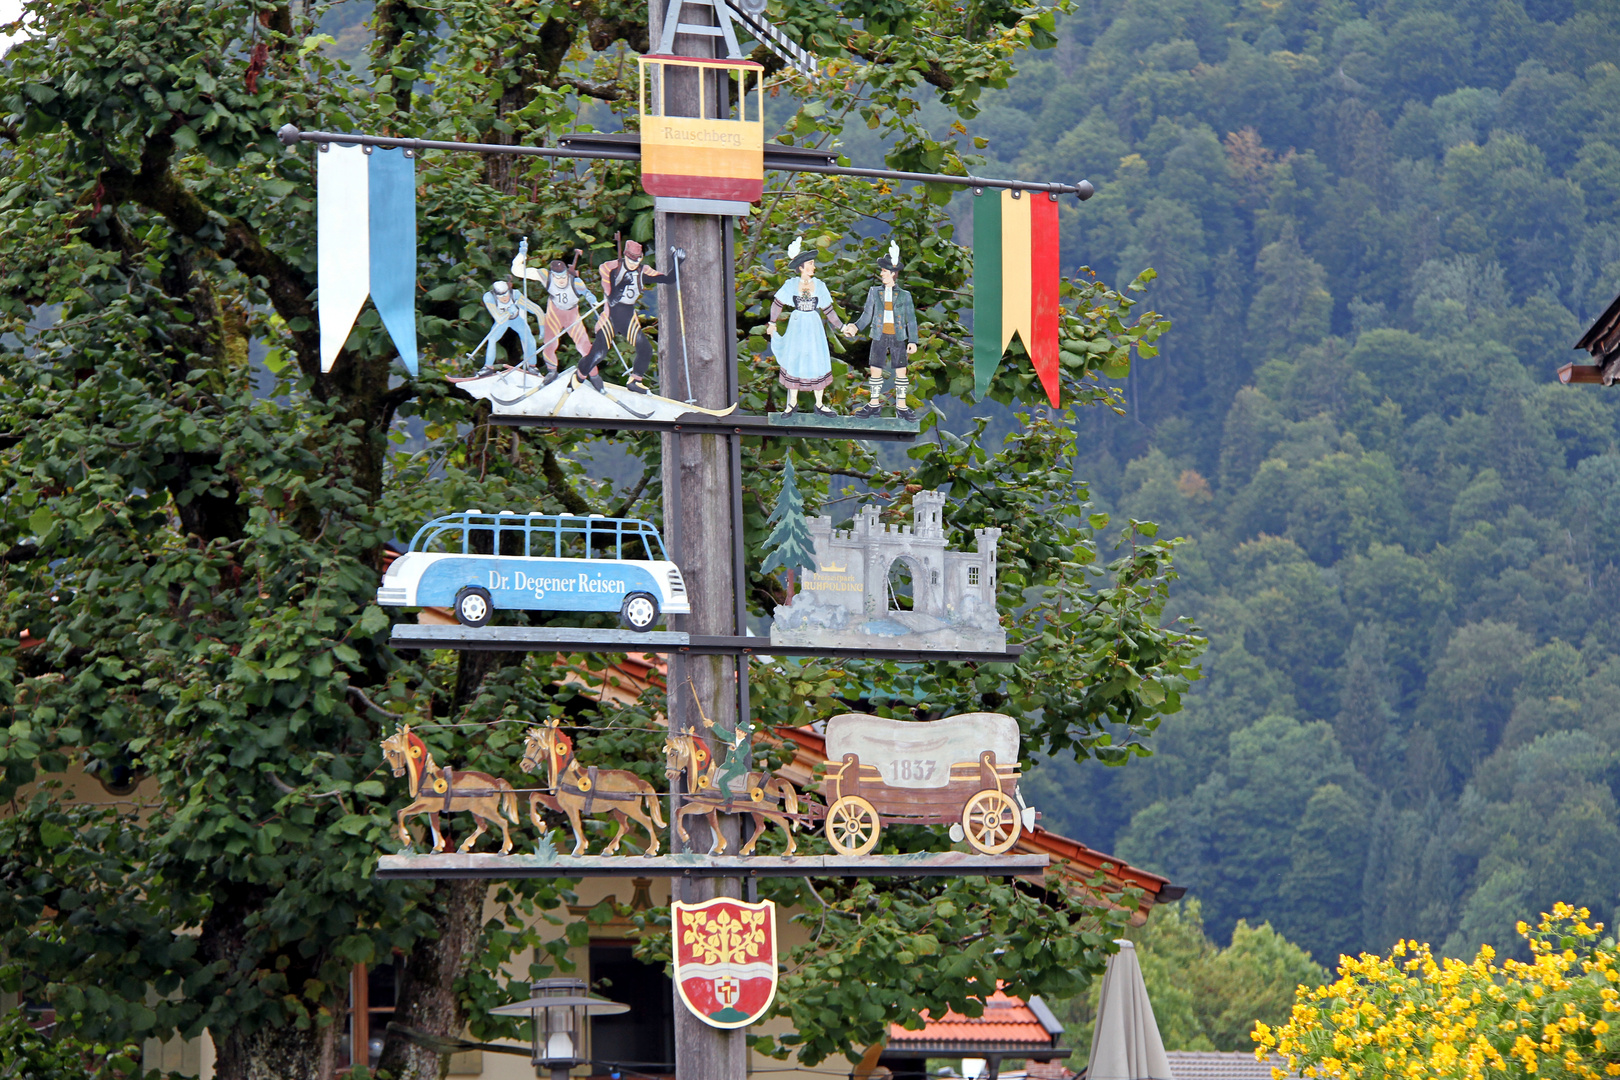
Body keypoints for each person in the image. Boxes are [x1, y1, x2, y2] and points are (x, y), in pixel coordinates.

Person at [576, 240, 673, 394]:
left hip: (628, 316)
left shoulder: (643, 271)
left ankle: (635, 380)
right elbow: (612, 299)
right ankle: (579, 376)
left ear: (640, 258)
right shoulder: (611, 268)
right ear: (625, 256)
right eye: (630, 260)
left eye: (636, 260)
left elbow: (668, 279)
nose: (633, 263)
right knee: (599, 353)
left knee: (646, 349)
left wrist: (678, 262)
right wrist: (622, 285)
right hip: (611, 315)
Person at [842, 241, 919, 420]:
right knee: (875, 368)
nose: (882, 274)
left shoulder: (905, 296)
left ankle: (901, 406)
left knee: (900, 369)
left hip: (898, 336)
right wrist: (855, 326)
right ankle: (874, 403)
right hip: (879, 334)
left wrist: (913, 340)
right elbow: (867, 314)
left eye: (884, 271)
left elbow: (911, 320)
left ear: (892, 273)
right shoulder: (874, 292)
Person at [769, 237, 845, 416]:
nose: (814, 267)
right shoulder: (791, 285)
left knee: (816, 359)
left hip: (813, 325)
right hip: (797, 324)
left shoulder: (819, 285)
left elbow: (828, 309)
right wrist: (772, 323)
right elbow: (777, 303)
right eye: (810, 263)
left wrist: (841, 327)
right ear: (802, 266)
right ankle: (791, 403)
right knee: (794, 358)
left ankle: (819, 403)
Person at [510, 251, 598, 386]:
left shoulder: (575, 281)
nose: (561, 280)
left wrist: (590, 296)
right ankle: (551, 371)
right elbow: (517, 271)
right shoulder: (545, 276)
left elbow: (586, 292)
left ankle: (594, 375)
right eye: (557, 277)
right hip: (554, 313)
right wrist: (521, 254)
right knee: (549, 344)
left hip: (571, 314)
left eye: (563, 276)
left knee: (584, 345)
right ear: (552, 274)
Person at [479, 279, 544, 373]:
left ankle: (532, 366)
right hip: (502, 322)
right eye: (500, 296)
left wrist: (542, 329)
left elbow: (537, 310)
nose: (504, 298)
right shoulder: (489, 297)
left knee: (530, 340)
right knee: (492, 339)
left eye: (506, 295)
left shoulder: (516, 295)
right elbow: (499, 319)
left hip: (516, 319)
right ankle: (488, 367)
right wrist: (509, 311)